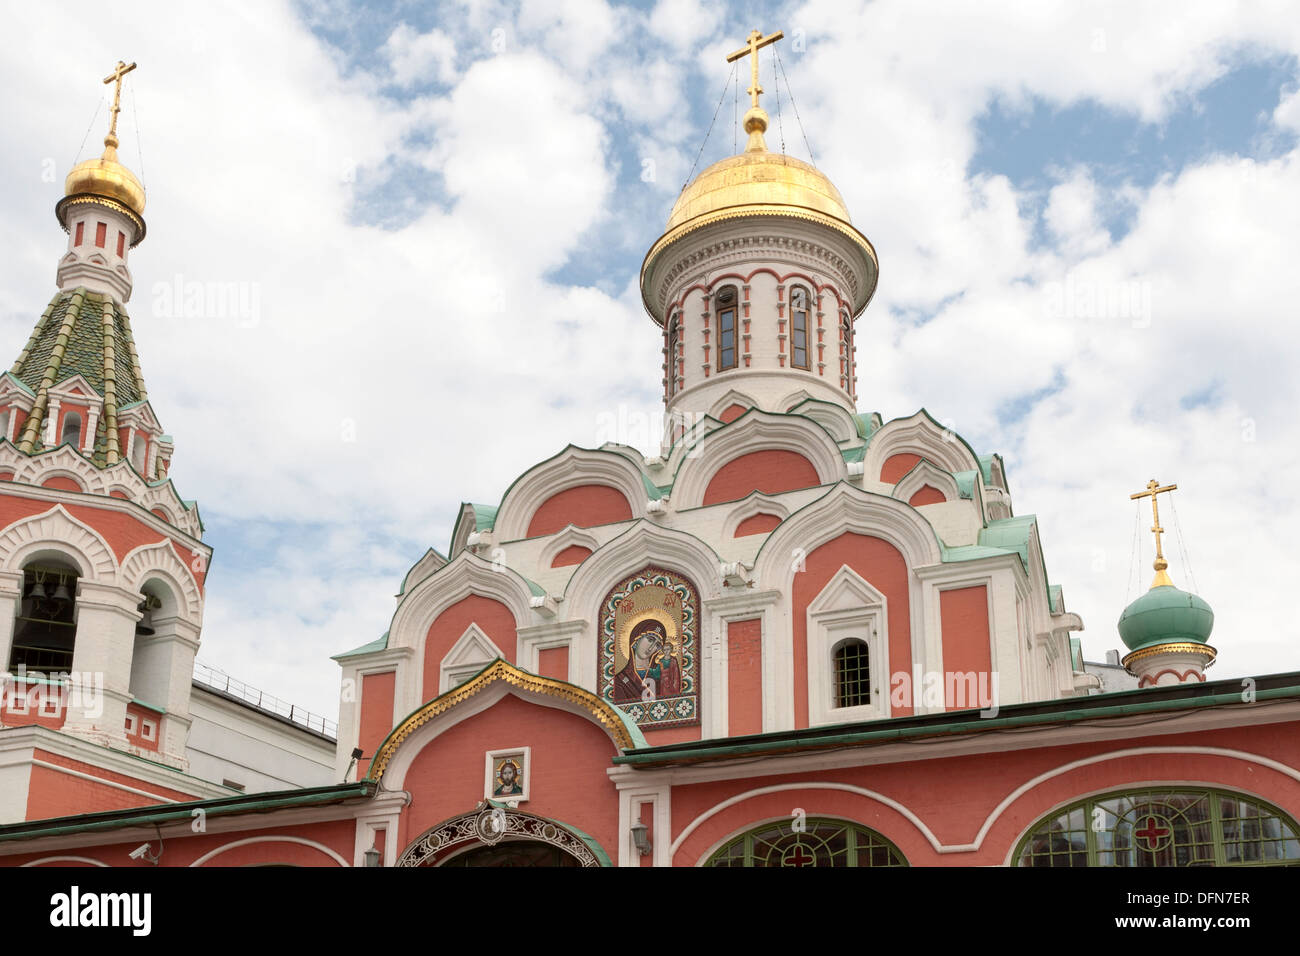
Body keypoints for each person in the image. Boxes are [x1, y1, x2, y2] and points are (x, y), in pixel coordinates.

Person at [613, 619, 680, 703]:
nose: (651, 648)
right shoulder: (620, 679)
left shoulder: (661, 672)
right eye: (650, 640)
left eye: (657, 645)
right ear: (636, 639)